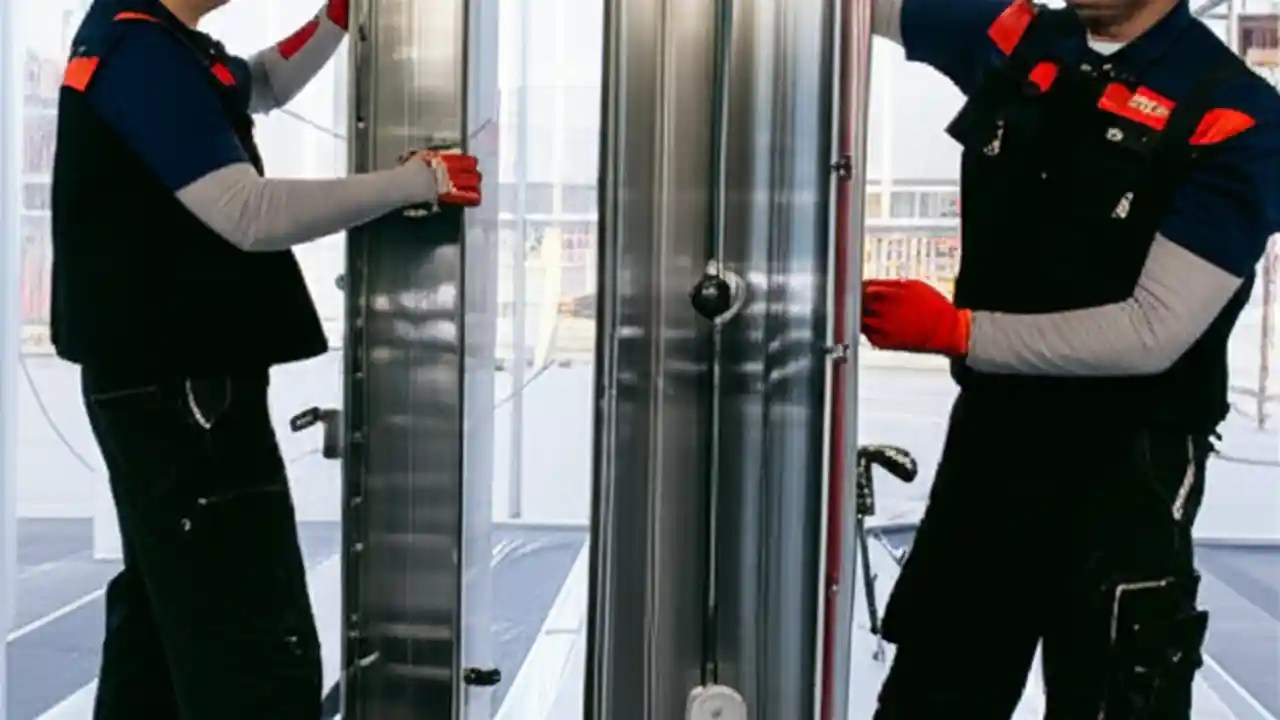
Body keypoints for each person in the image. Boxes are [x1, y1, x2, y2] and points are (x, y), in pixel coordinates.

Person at [50, 0, 482, 716]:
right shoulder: (140, 54)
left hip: (159, 385)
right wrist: (417, 181)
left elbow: (258, 83)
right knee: (246, 637)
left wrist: (335, 21)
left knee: (165, 624)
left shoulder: (153, 42)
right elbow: (250, 214)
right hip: (182, 398)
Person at [860, 0, 1279, 716]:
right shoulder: (1020, 37)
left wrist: (957, 333)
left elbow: (1152, 331)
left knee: (1110, 697)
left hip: (1129, 467)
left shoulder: (1234, 114)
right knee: (936, 691)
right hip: (995, 442)